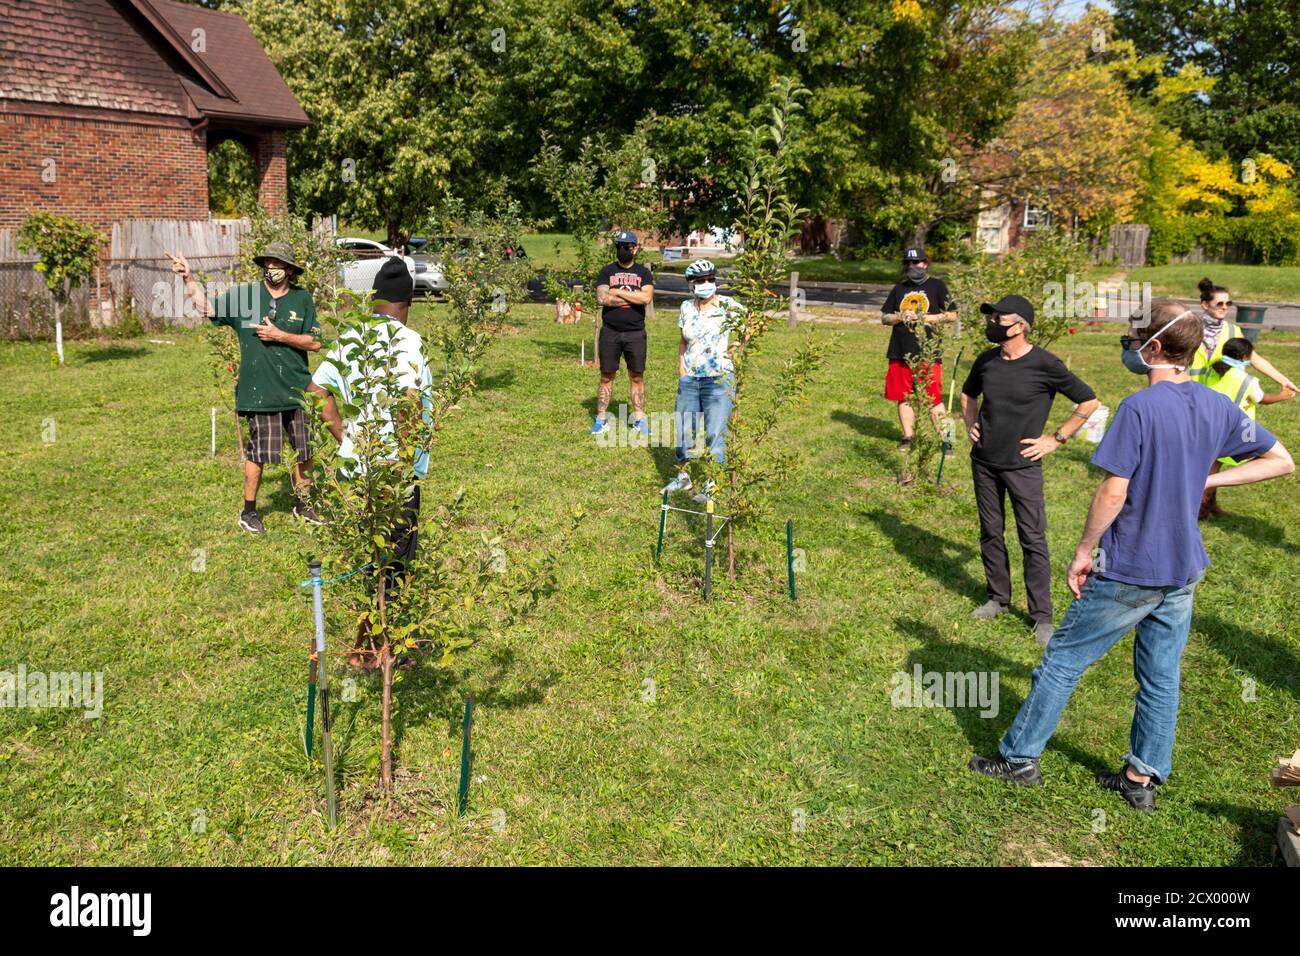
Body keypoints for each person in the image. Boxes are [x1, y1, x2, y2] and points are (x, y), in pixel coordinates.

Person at [968, 301, 1293, 810]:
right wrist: (1207, 477)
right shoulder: (1216, 405)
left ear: (1156, 348)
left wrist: (1082, 550)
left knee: (1062, 661)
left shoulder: (1139, 409)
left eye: (1133, 337)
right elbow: (1281, 461)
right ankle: (1141, 780)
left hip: (1131, 568)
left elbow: (1112, 493)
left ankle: (1019, 757)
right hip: (1184, 570)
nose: (1128, 345)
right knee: (1161, 677)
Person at [307, 258, 432, 670]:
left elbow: (316, 391)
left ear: (373, 298)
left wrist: (346, 438)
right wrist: (404, 456)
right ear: (407, 302)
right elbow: (410, 403)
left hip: (358, 472)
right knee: (395, 559)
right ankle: (375, 652)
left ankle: (383, 644)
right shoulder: (407, 342)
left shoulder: (351, 336)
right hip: (393, 472)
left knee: (372, 554)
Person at [960, 295, 1100, 646]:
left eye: (998, 319)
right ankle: (998, 599)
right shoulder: (987, 361)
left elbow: (1089, 400)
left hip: (1023, 466)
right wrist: (970, 424)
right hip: (984, 462)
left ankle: (1042, 617)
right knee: (991, 531)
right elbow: (968, 395)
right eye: (991, 318)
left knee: (1032, 538)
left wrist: (1056, 439)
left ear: (1020, 325)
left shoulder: (1045, 365)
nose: (992, 324)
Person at [168, 242, 322, 534]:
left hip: (297, 389)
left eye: (277, 264)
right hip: (260, 393)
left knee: (305, 451)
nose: (271, 268)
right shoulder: (246, 296)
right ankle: (249, 512)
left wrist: (280, 335)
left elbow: (314, 342)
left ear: (290, 270)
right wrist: (188, 278)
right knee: (258, 454)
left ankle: (303, 505)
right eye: (268, 263)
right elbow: (208, 310)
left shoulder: (302, 299)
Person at [661, 259, 739, 503]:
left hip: (718, 380)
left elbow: (753, 326)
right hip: (690, 379)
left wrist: (737, 347)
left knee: (715, 433)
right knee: (684, 430)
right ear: (691, 285)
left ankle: (713, 483)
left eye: (710, 280)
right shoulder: (686, 307)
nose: (706, 284)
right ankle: (683, 477)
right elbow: (683, 340)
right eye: (700, 281)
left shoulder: (728, 305)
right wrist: (681, 371)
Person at [1199, 336, 1296, 518]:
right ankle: (1202, 507)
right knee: (1263, 457)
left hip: (1210, 424)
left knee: (1214, 465)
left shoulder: (1212, 370)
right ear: (1244, 358)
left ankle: (1208, 505)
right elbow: (1261, 399)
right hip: (1239, 429)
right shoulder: (1247, 380)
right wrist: (1283, 396)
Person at [880, 247, 956, 449]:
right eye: (908, 263)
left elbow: (952, 315)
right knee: (903, 396)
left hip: (928, 352)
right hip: (900, 350)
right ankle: (908, 437)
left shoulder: (937, 286)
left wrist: (926, 318)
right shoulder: (899, 288)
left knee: (934, 398)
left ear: (926, 264)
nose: (913, 267)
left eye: (917, 262)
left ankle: (947, 440)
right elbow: (885, 317)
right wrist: (900, 316)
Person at [592, 231, 655, 437]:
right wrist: (633, 297)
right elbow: (602, 298)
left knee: (636, 376)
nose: (622, 250)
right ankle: (601, 419)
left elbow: (646, 298)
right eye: (619, 245)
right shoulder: (606, 271)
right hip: (610, 332)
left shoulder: (644, 273)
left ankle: (639, 418)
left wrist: (617, 291)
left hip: (635, 333)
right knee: (606, 376)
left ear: (635, 248)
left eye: (626, 246)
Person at [1190, 277, 1296, 393]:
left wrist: (1283, 380)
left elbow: (1255, 359)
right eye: (1220, 303)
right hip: (1189, 391)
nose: (1225, 307)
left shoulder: (1233, 330)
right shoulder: (1188, 328)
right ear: (1205, 305)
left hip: (1217, 396)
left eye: (1228, 303)